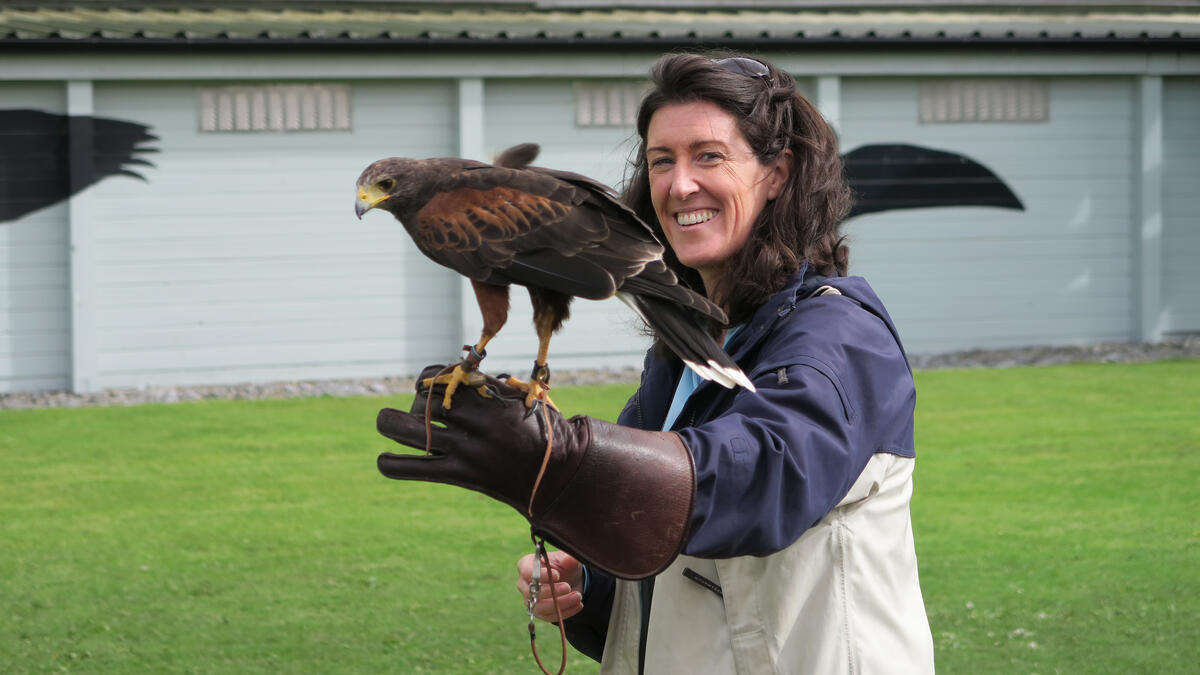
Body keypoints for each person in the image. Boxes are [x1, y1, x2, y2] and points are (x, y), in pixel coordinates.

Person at [377, 52, 935, 674]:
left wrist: (568, 462)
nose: (679, 184)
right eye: (661, 160)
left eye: (709, 156)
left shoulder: (838, 336)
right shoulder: (681, 355)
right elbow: (666, 561)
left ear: (777, 174)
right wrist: (587, 588)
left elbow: (763, 480)